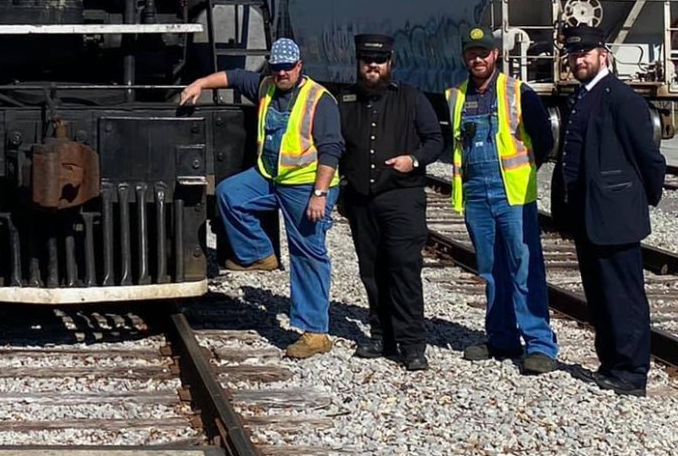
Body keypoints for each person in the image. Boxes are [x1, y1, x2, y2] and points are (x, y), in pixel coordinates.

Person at [179, 37, 345, 359]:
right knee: (230, 194)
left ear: (299, 66)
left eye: (287, 68)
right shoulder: (266, 86)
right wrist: (200, 83)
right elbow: (231, 77)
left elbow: (331, 150)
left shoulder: (319, 100)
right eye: (277, 67)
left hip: (306, 186)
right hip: (269, 178)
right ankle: (261, 255)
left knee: (307, 256)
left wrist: (320, 195)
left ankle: (315, 333)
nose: (282, 73)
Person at [555, 23, 666, 395]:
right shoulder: (581, 96)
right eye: (573, 54)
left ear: (603, 53)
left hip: (616, 213)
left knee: (624, 294)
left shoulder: (622, 99)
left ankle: (633, 371)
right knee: (600, 293)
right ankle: (611, 362)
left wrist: (639, 199)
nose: (578, 59)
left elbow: (649, 158)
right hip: (587, 214)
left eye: (585, 52)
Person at [444, 25, 559, 374]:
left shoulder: (517, 92)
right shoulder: (457, 95)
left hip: (513, 193)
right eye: (471, 53)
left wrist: (524, 171)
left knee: (524, 267)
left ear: (495, 55)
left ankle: (539, 344)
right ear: (464, 57)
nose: (477, 58)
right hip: (476, 193)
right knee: (491, 270)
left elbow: (542, 138)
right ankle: (502, 338)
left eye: (483, 52)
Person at [337, 33, 444, 369]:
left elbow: (435, 139)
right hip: (361, 200)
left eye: (379, 61)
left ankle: (413, 344)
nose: (373, 67)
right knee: (371, 271)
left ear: (390, 63)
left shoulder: (411, 98)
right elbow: (334, 145)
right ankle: (382, 336)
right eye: (367, 61)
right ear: (358, 63)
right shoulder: (346, 100)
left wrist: (412, 160)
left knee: (403, 268)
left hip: (401, 196)